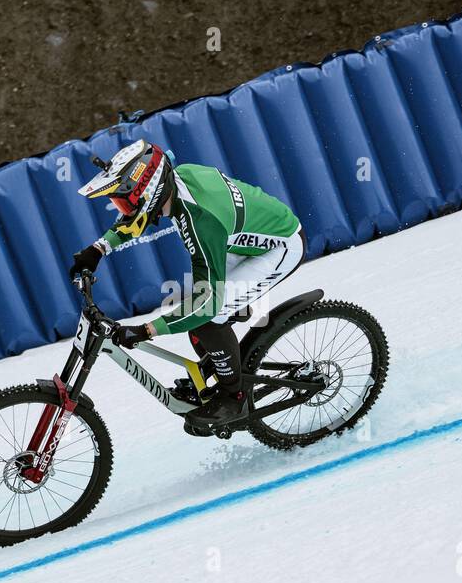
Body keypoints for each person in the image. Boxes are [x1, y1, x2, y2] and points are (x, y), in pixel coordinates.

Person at [69, 140, 306, 429]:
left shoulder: (200, 221)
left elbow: (206, 304)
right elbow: (140, 216)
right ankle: (221, 369)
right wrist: (99, 248)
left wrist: (146, 330)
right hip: (236, 238)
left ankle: (235, 396)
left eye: (125, 201)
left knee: (206, 318)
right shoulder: (176, 182)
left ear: (151, 190)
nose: (123, 210)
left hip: (278, 248)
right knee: (198, 312)